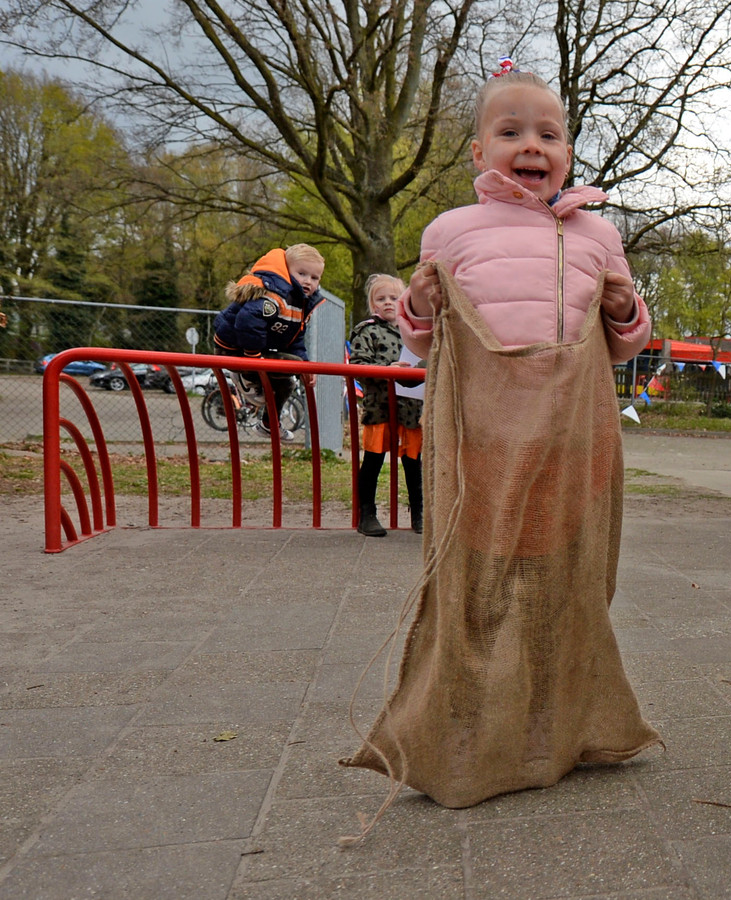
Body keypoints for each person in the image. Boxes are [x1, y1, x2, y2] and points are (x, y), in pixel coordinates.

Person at [342, 59, 659, 817]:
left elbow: (625, 348)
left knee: (564, 581)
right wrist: (417, 307)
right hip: (482, 438)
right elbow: (426, 344)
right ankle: (468, 726)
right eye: (510, 130)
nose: (532, 144)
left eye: (549, 133)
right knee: (481, 581)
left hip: (569, 440)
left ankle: (559, 724)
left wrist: (625, 307)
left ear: (569, 152)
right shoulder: (450, 230)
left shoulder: (597, 233)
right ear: (480, 152)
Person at [213, 244, 326, 439]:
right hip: (233, 347)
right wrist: (253, 358)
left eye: (314, 278)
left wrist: (306, 368)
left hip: (255, 349)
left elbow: (295, 340)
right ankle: (245, 377)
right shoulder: (275, 295)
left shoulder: (299, 303)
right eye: (302, 274)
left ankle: (268, 424)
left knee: (287, 383)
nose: (308, 281)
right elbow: (247, 322)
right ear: (287, 270)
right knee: (291, 367)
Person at [348, 273, 423, 537]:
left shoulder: (413, 332)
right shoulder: (367, 331)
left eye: (394, 297)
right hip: (380, 407)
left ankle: (419, 514)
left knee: (414, 464)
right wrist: (387, 370)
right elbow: (357, 365)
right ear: (373, 304)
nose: (388, 303)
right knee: (373, 461)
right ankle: (366, 515)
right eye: (381, 299)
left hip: (411, 409)